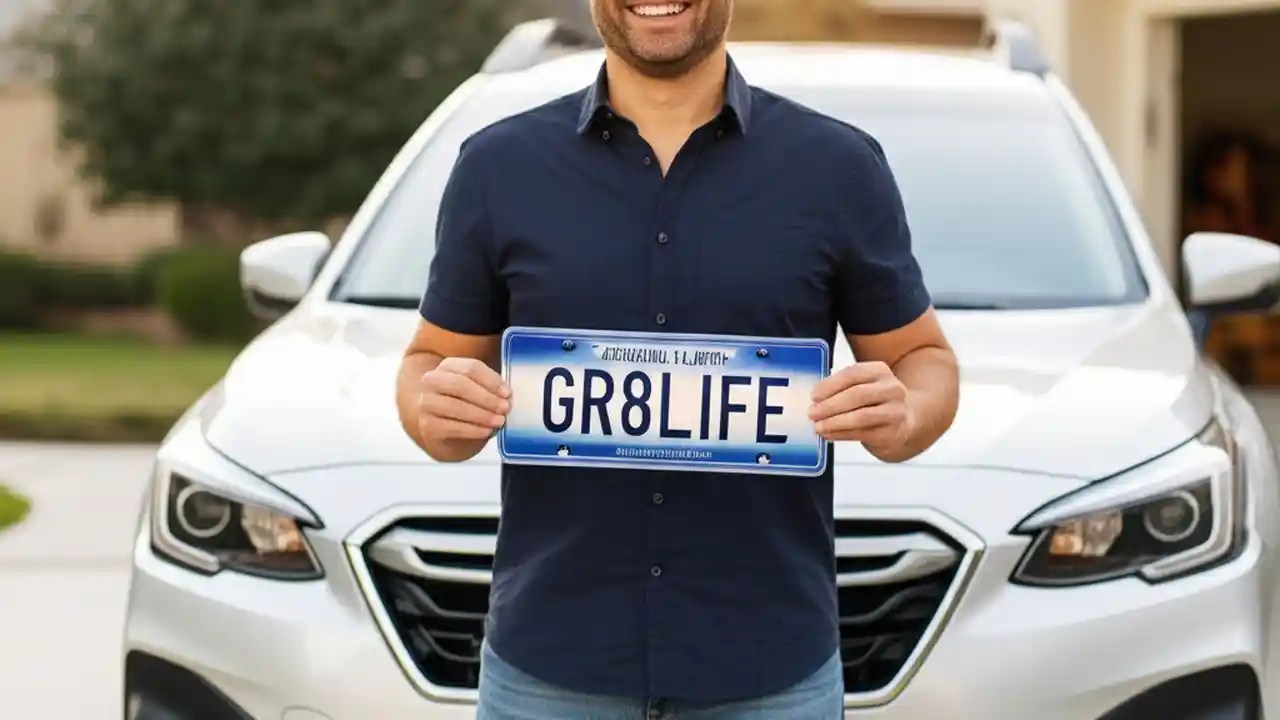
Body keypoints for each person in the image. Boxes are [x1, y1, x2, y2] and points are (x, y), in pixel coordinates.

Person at [395, 1, 960, 717]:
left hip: (769, 671)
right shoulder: (496, 168)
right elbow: (427, 366)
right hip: (550, 668)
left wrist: (906, 411)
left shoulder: (839, 169)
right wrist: (431, 410)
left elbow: (922, 358)